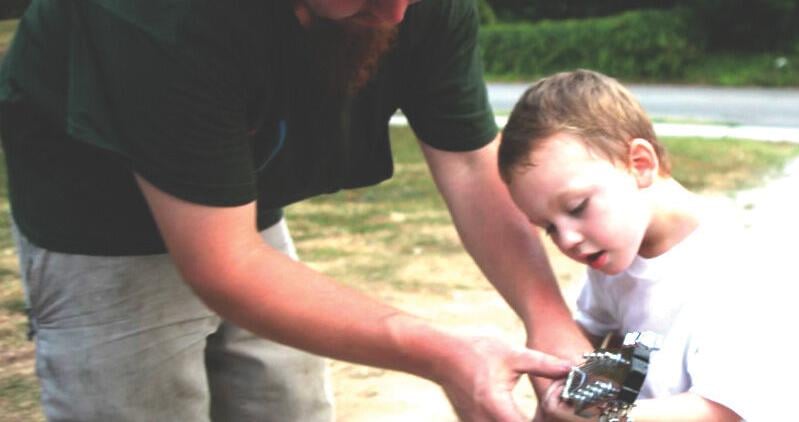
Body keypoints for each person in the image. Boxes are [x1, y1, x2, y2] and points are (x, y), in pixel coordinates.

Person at [0, 1, 592, 421]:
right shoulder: (158, 16)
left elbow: (469, 167)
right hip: (101, 217)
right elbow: (223, 265)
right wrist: (446, 354)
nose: (396, 13)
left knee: (287, 403)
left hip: (244, 196)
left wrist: (550, 321)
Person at [498, 69, 799, 421]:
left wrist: (609, 416)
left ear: (640, 164)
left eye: (577, 207)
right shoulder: (615, 258)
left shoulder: (736, 272)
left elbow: (722, 412)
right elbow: (599, 339)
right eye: (549, 228)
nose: (567, 240)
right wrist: (571, 394)